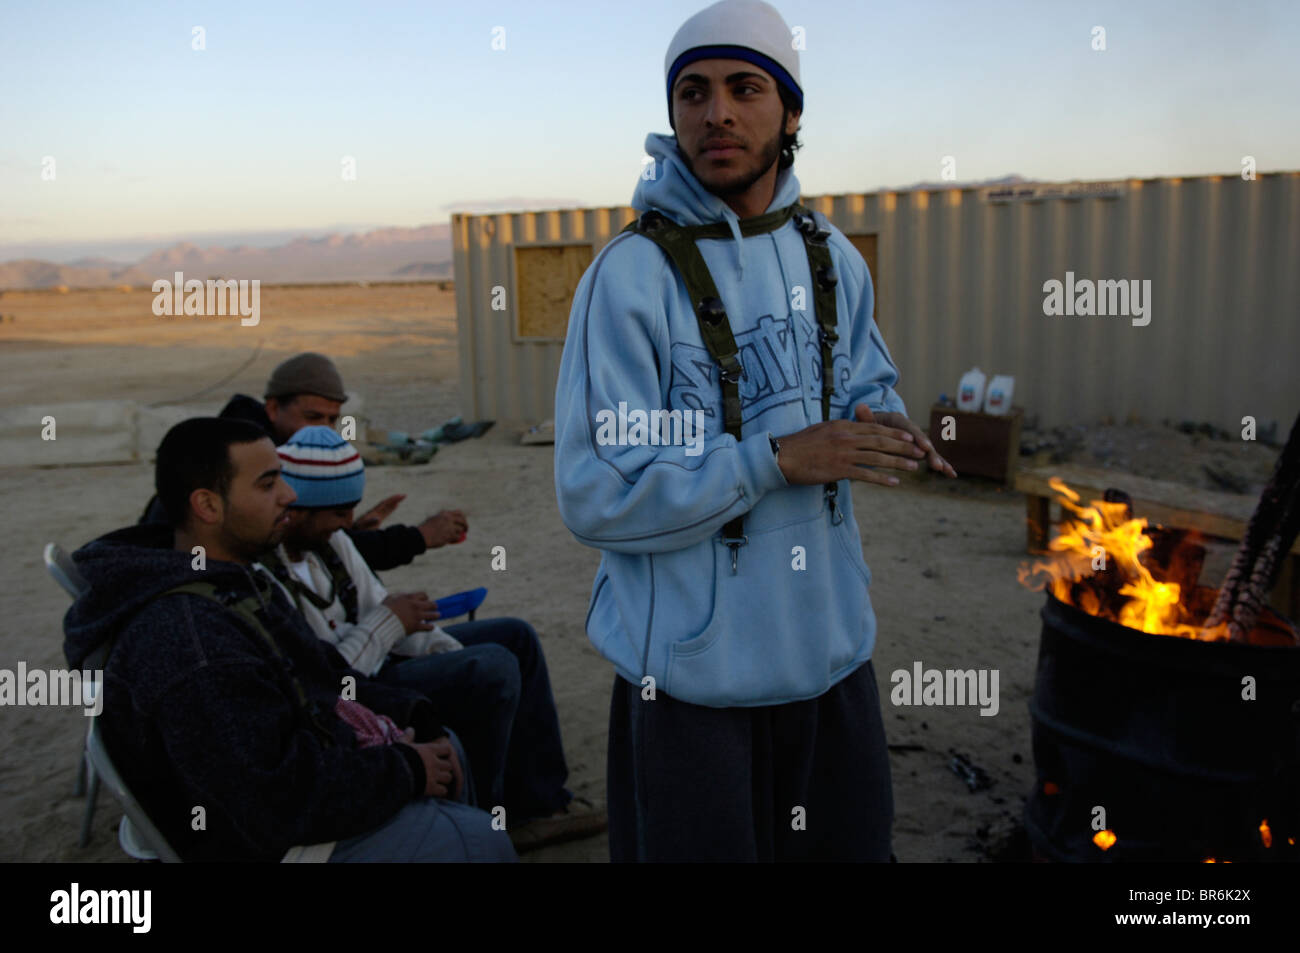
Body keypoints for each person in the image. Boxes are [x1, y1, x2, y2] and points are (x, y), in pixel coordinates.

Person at [553, 0, 957, 862]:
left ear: (793, 112)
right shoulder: (630, 278)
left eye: (745, 88)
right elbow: (598, 494)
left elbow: (865, 382)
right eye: (692, 93)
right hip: (692, 683)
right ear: (672, 116)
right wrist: (773, 460)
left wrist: (878, 423)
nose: (717, 113)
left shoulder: (832, 258)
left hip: (832, 659)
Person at [64, 416, 515, 862]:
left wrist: (413, 714)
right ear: (208, 506)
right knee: (474, 840)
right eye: (267, 484)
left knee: (448, 744)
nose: (290, 495)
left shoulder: (234, 581)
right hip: (264, 843)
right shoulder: (191, 641)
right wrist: (407, 767)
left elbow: (322, 673)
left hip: (308, 777)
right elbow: (274, 801)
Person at [262, 425, 605, 851]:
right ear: (298, 510)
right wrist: (392, 623)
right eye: (337, 514)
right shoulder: (265, 575)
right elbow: (330, 679)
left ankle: (537, 805)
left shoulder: (331, 543)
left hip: (381, 657)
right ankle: (481, 822)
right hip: (356, 691)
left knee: (514, 638)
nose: (348, 523)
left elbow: (382, 608)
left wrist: (442, 646)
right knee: (491, 669)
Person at [138, 351, 467, 572]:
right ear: (272, 409)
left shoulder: (269, 452)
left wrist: (337, 525)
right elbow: (286, 547)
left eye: (331, 419)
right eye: (312, 417)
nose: (324, 431)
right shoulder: (251, 461)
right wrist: (419, 537)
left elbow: (303, 544)